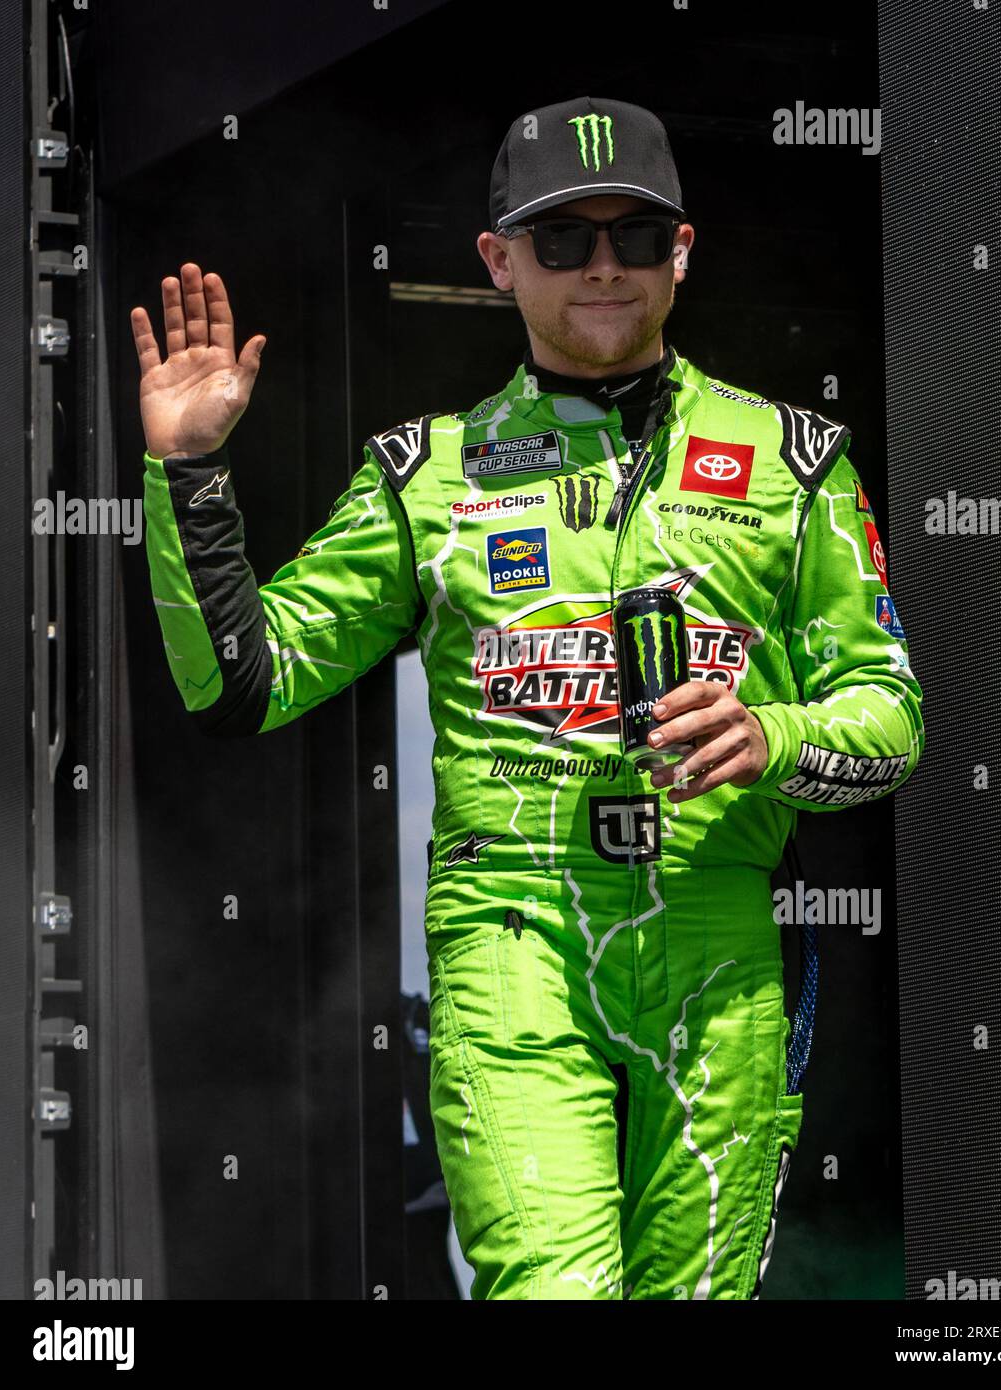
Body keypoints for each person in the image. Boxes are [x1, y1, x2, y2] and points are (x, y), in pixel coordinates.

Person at [131, 96, 925, 1300]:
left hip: (718, 935)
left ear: (682, 253)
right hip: (512, 932)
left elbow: (893, 714)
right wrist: (189, 471)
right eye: (561, 240)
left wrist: (775, 734)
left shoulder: (796, 457)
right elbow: (246, 679)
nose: (601, 265)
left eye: (634, 236)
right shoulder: (425, 469)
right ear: (498, 261)